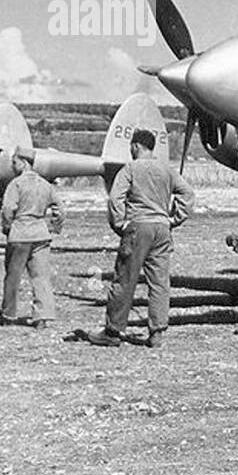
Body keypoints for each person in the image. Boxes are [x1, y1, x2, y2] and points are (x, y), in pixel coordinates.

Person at [89, 129, 194, 348]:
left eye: (131, 146)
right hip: (162, 229)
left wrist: (120, 224)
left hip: (138, 227)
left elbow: (115, 198)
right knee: (159, 283)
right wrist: (174, 219)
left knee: (125, 279)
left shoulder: (130, 168)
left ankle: (113, 331)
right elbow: (187, 194)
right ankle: (157, 333)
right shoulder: (167, 170)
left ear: (136, 146)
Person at [0, 151, 62, 330]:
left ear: (24, 162)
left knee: (13, 277)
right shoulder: (46, 184)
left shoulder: (15, 184)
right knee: (41, 277)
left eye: (14, 162)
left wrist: (7, 227)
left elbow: (8, 209)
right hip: (41, 234)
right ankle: (43, 316)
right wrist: (54, 227)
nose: (12, 166)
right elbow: (59, 209)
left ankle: (8, 315)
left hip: (20, 233)